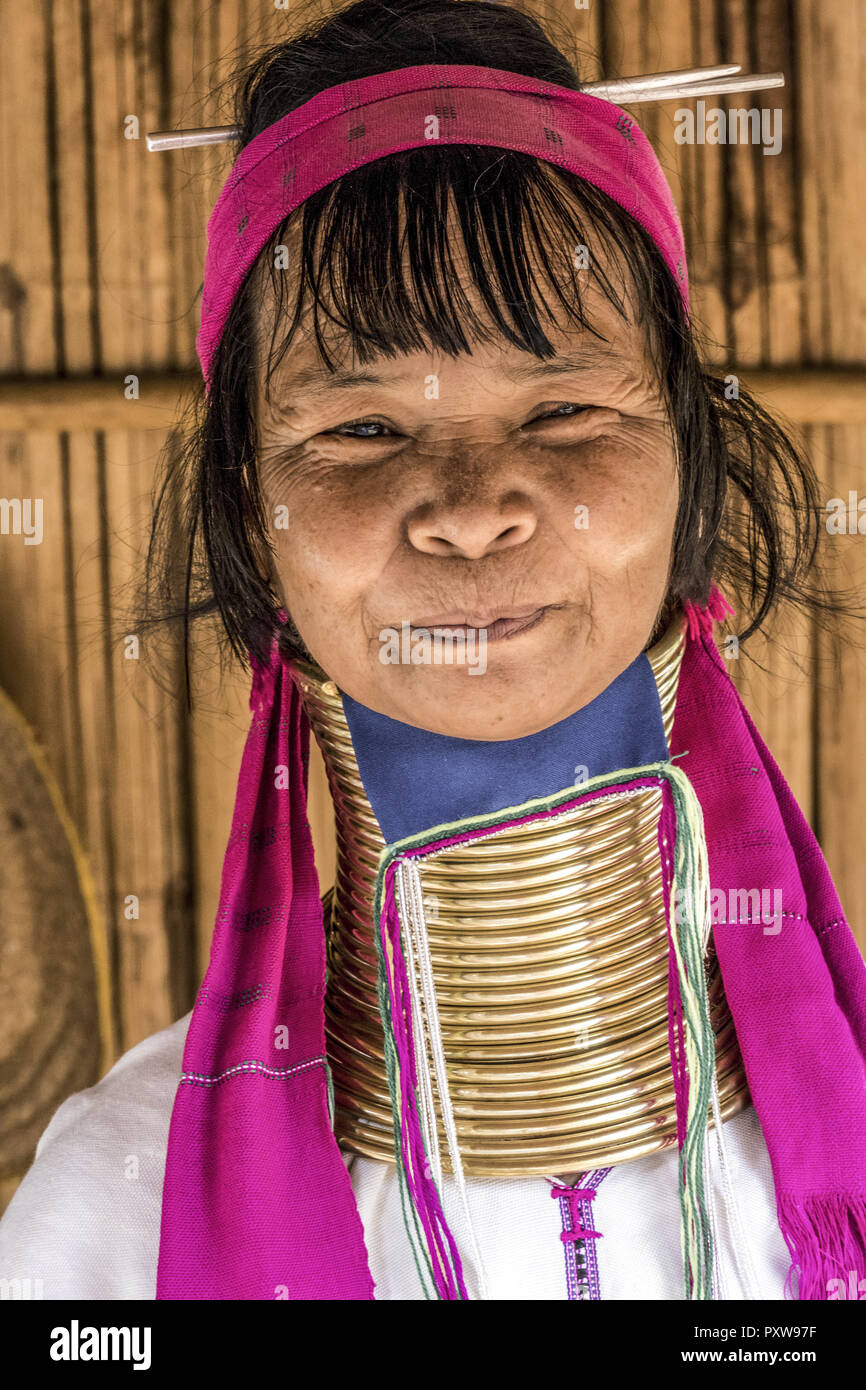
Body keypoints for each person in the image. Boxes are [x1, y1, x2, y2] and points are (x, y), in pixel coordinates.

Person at [2, 0, 865, 1302]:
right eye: (358, 431)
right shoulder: (110, 1225)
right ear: (253, 511)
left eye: (566, 406)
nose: (471, 507)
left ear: (687, 469)